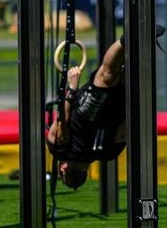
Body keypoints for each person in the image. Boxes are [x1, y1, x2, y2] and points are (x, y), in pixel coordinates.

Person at [46, 36, 127, 189]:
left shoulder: (107, 154)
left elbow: (126, 127)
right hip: (92, 113)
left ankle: (129, 40)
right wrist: (72, 87)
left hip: (112, 112)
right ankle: (127, 40)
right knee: (108, 76)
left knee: (111, 77)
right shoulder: (60, 150)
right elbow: (61, 119)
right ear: (63, 169)